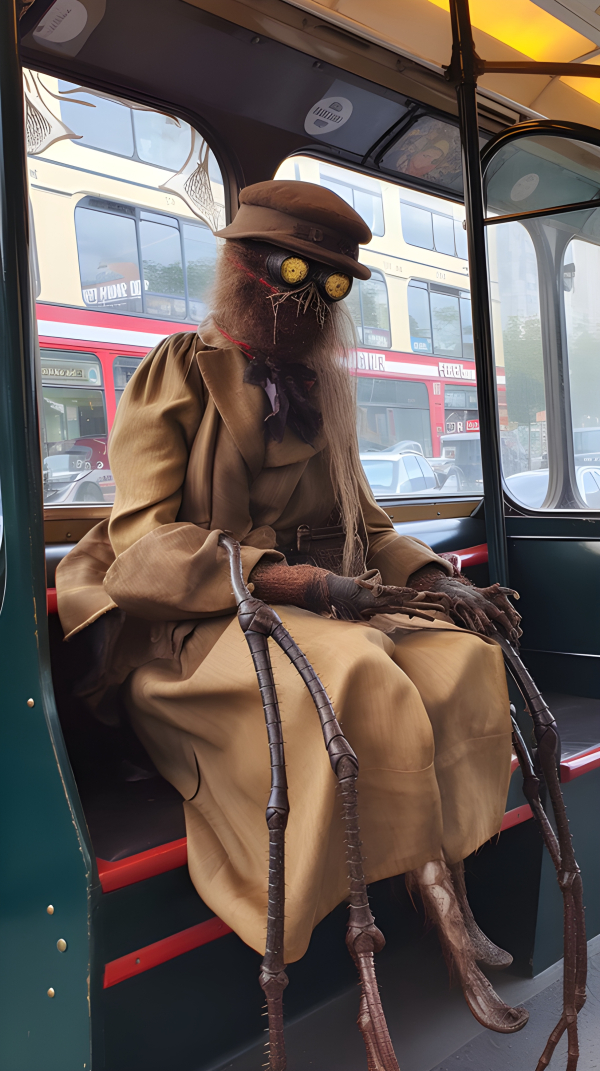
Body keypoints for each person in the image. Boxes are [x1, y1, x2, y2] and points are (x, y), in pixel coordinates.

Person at [56, 179, 526, 1035]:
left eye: (330, 282)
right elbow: (144, 544)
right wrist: (295, 583)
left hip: (326, 605)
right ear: (242, 266)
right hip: (194, 625)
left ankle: (442, 882)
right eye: (288, 269)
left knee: (464, 658)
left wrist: (434, 582)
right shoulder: (178, 374)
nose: (305, 295)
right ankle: (354, 938)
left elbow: (368, 523)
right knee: (356, 672)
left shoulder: (326, 394)